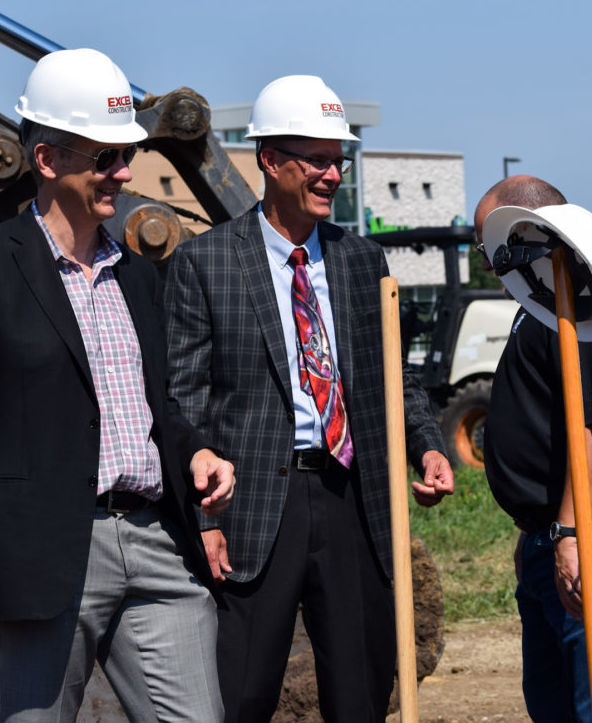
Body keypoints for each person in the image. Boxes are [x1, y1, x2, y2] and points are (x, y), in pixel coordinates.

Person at [0, 48, 234, 722]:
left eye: (126, 155)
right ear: (48, 160)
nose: (124, 173)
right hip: (45, 554)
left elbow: (159, 404)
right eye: (105, 158)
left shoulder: (139, 274)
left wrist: (195, 450)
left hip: (155, 544)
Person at [163, 74, 454, 723]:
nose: (331, 175)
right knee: (241, 695)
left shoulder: (361, 262)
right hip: (257, 508)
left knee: (360, 694)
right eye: (316, 160)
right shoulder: (206, 264)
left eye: (337, 161)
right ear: (269, 159)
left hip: (354, 500)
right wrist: (205, 518)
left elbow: (392, 380)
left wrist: (427, 446)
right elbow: (183, 402)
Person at [475, 175, 592, 722]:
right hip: (558, 530)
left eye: (487, 242)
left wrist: (567, 531)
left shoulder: (583, 296)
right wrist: (535, 529)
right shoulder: (539, 298)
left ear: (523, 229)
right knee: (555, 702)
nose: (486, 261)